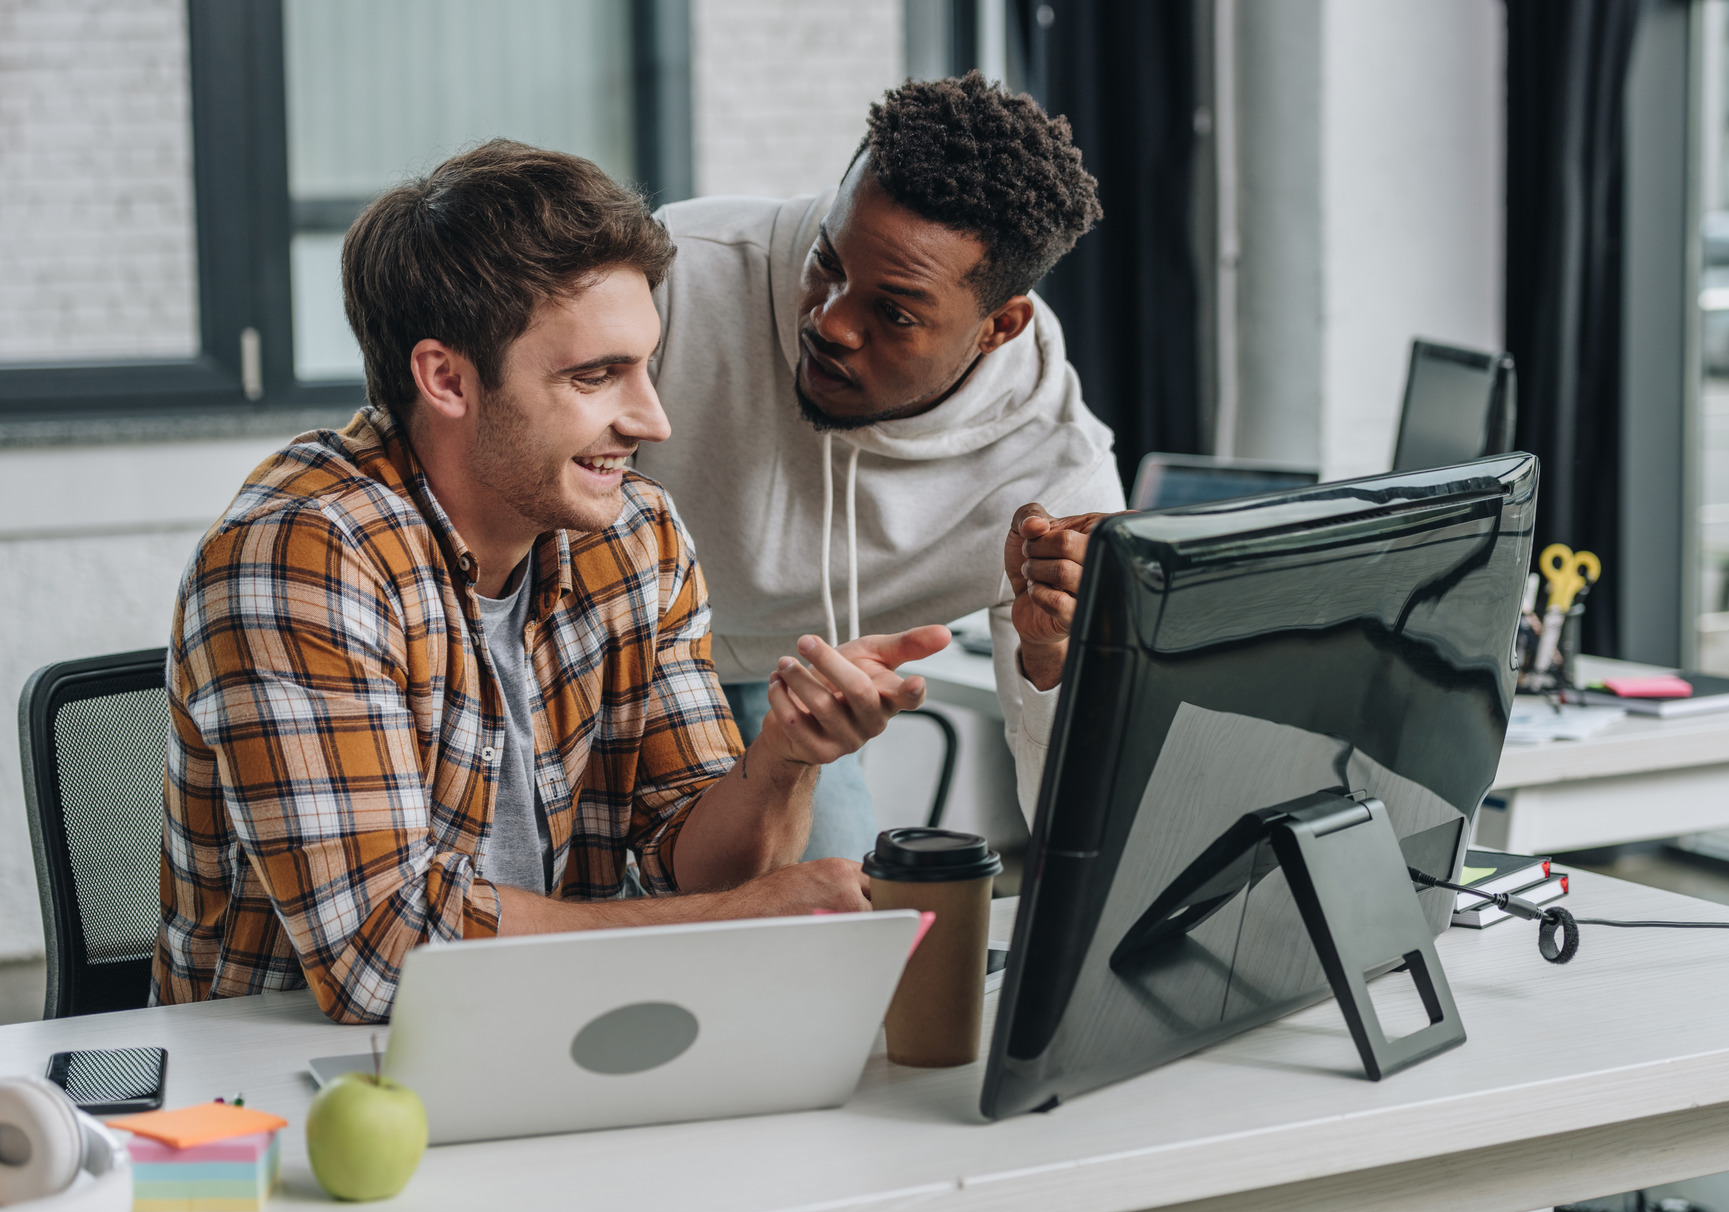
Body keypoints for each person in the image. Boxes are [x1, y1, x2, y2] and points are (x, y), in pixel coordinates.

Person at [152, 141, 948, 1025]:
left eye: (646, 363)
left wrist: (786, 759)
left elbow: (698, 862)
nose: (652, 418)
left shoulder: (636, 535)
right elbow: (382, 960)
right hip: (289, 1090)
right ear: (446, 379)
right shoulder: (301, 553)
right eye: (596, 375)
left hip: (563, 1034)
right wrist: (720, 922)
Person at [636, 72, 1124, 857]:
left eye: (892, 312)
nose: (829, 322)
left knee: (840, 946)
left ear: (999, 326)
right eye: (828, 262)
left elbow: (1081, 825)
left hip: (783, 688)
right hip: (599, 658)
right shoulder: (680, 273)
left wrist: (1051, 660)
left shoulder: (1052, 469)